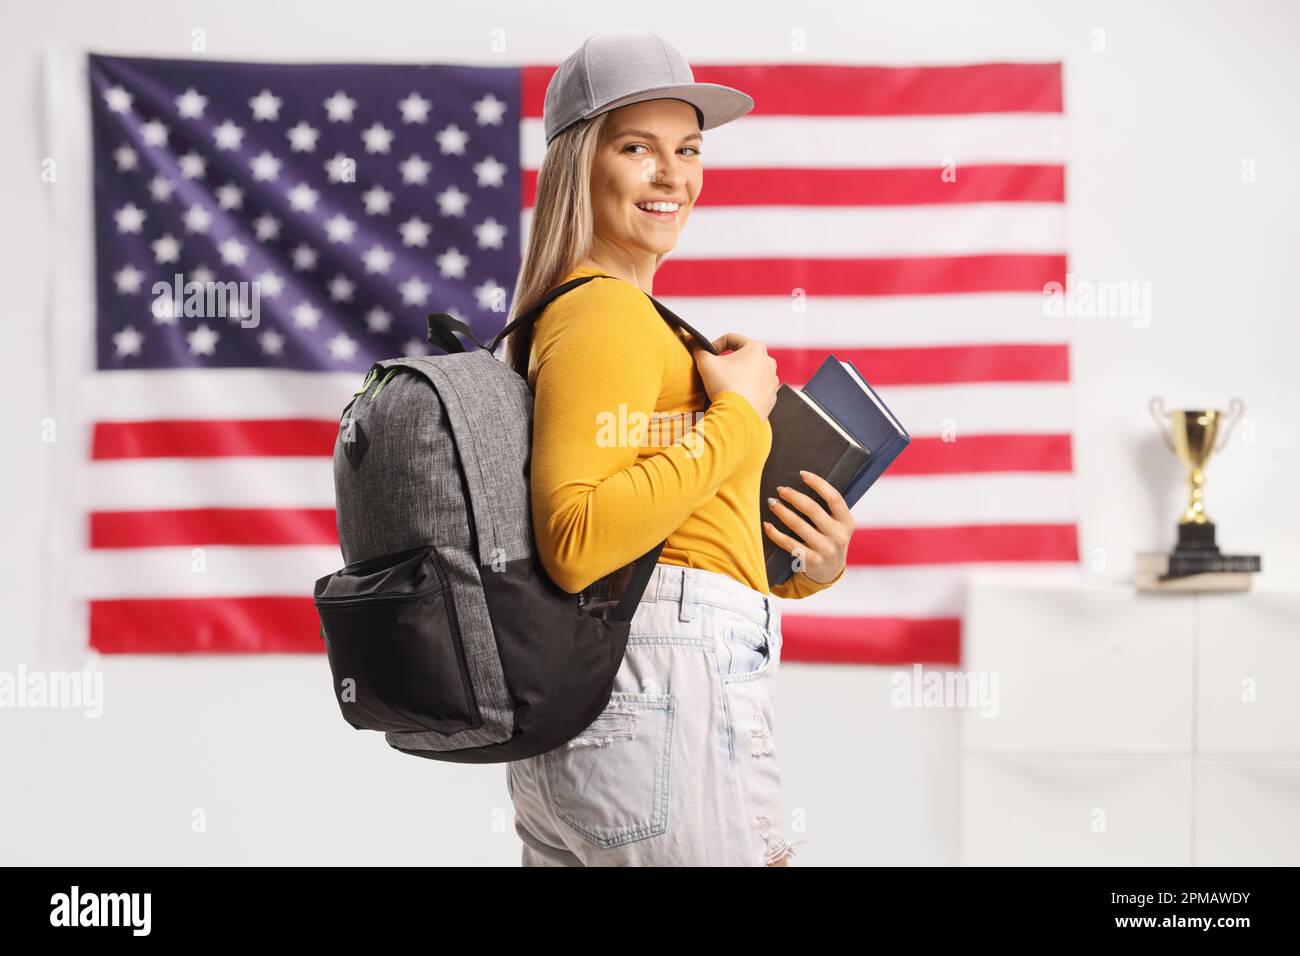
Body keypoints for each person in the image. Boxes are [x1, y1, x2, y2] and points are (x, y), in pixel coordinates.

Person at [502, 30, 853, 866]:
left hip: (633, 705)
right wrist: (740, 417)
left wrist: (807, 565)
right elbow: (577, 541)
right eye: (638, 148)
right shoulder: (604, 313)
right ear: (580, 165)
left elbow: (666, 537)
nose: (673, 176)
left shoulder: (629, 318)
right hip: (662, 698)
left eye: (688, 149)